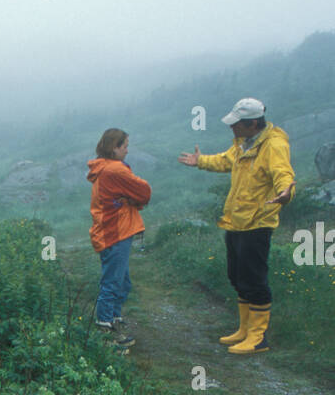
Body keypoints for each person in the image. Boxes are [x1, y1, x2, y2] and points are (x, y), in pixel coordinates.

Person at [179, 98, 295, 354]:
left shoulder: (273, 145)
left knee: (254, 278)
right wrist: (201, 161)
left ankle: (258, 337)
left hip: (258, 221)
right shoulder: (244, 143)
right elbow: (225, 161)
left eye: (236, 124)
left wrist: (286, 192)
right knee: (237, 275)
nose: (232, 128)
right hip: (236, 220)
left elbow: (283, 173)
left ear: (253, 123)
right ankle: (244, 329)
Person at [88, 128, 152, 347]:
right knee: (113, 283)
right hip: (115, 233)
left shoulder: (102, 168)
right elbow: (144, 192)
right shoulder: (115, 170)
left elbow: (136, 196)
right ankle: (105, 330)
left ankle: (115, 320)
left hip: (114, 231)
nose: (127, 150)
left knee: (122, 282)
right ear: (114, 147)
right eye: (124, 146)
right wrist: (131, 198)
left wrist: (129, 198)